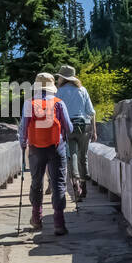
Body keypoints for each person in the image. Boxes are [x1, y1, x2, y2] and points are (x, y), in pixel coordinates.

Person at [17, 72, 73, 235]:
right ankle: (59, 223)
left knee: (36, 181)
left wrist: (23, 144)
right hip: (57, 147)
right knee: (58, 183)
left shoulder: (29, 104)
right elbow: (69, 128)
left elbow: (23, 127)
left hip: (35, 148)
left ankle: (36, 218)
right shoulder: (58, 103)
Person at [55, 64, 96, 201]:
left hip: (69, 127)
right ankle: (84, 182)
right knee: (83, 157)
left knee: (72, 156)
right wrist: (94, 131)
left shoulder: (59, 91)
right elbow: (91, 112)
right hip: (84, 126)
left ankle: (76, 183)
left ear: (63, 78)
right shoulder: (82, 90)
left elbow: (57, 113)